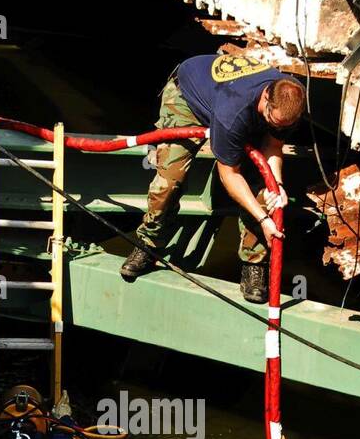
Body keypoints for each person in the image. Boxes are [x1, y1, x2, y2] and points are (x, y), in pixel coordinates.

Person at [120, 52, 306, 302]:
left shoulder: (290, 99)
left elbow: (273, 146)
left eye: (283, 126)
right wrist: (263, 219)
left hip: (235, 105)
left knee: (267, 191)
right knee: (169, 180)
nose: (278, 128)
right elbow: (229, 174)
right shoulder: (233, 112)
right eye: (274, 122)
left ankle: (254, 262)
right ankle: (149, 243)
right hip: (188, 98)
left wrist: (278, 185)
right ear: (266, 98)